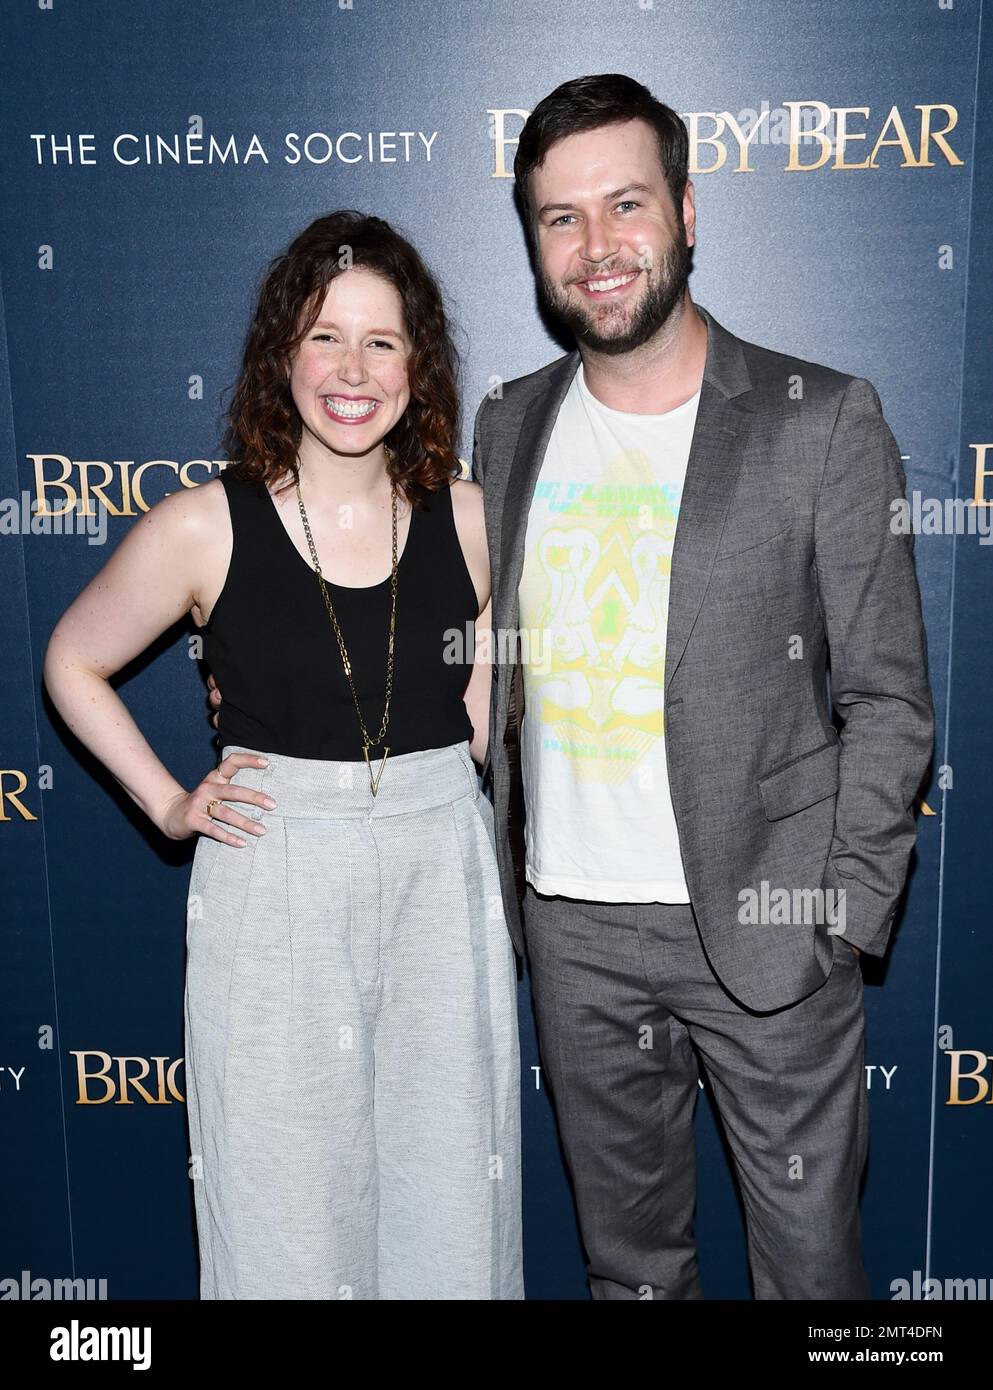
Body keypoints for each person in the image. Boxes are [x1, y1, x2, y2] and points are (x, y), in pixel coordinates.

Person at [468, 74, 933, 1299]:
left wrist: (844, 912)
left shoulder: (820, 419)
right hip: (571, 928)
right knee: (630, 1275)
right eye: (560, 218)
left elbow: (888, 698)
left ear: (686, 209)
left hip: (771, 928)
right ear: (532, 242)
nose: (598, 246)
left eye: (625, 204)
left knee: (814, 1277)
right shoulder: (507, 425)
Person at [43, 210, 523, 1301]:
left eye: (383, 342)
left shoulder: (475, 518)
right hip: (274, 874)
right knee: (280, 1208)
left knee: (454, 1190)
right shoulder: (206, 526)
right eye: (325, 337)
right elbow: (72, 658)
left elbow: (489, 696)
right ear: (283, 354)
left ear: (419, 363)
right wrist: (170, 804)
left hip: (439, 871)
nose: (353, 370)